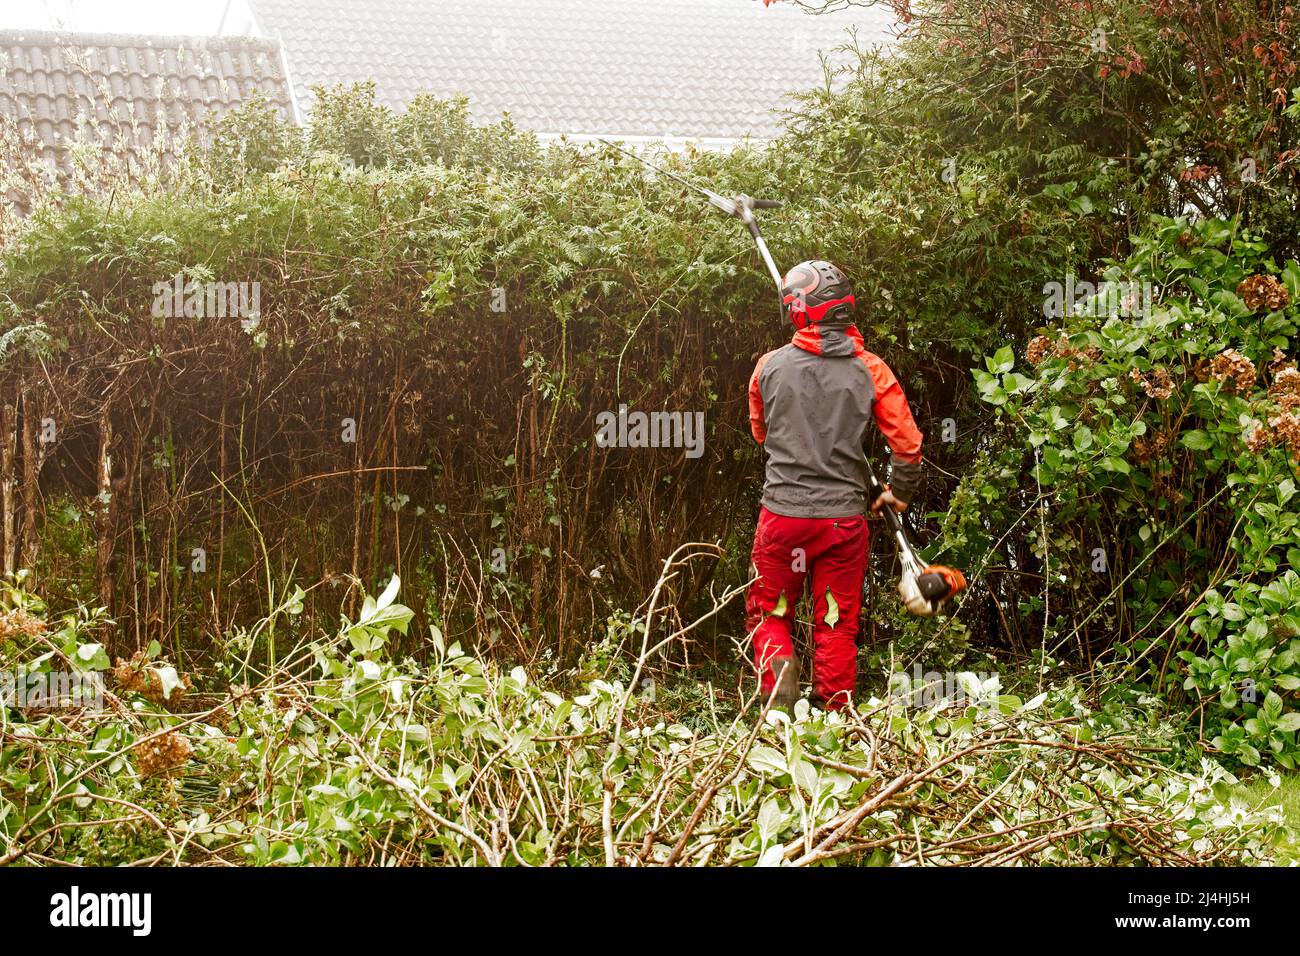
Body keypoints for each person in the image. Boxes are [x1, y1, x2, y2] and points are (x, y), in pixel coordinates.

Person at [745, 260, 924, 711]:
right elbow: (908, 445)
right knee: (837, 622)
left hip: (783, 518)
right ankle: (836, 719)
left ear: (797, 311)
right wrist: (896, 494)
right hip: (843, 524)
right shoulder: (871, 369)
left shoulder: (767, 367)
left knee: (771, 612)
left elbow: (761, 434)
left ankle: (776, 707)